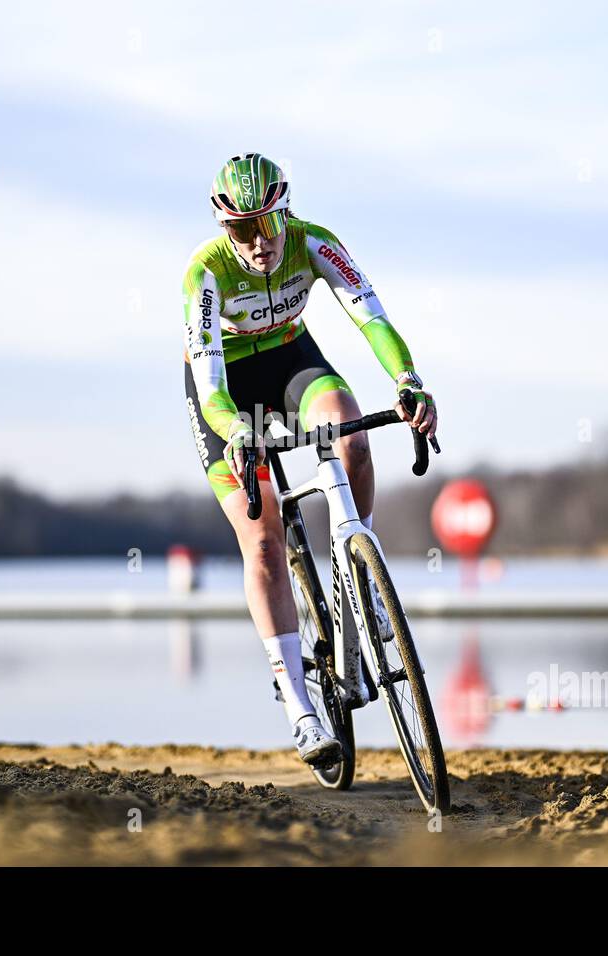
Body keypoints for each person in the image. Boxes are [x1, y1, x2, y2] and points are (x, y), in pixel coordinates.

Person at [182, 153, 437, 766]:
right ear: (224, 228)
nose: (259, 240)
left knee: (351, 435)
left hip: (292, 357)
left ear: (285, 211)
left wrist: (408, 381)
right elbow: (210, 380)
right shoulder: (205, 275)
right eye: (242, 229)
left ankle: (361, 578)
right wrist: (234, 431)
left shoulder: (314, 243)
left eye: (267, 223)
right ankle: (301, 709)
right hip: (226, 390)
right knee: (263, 535)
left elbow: (370, 315)